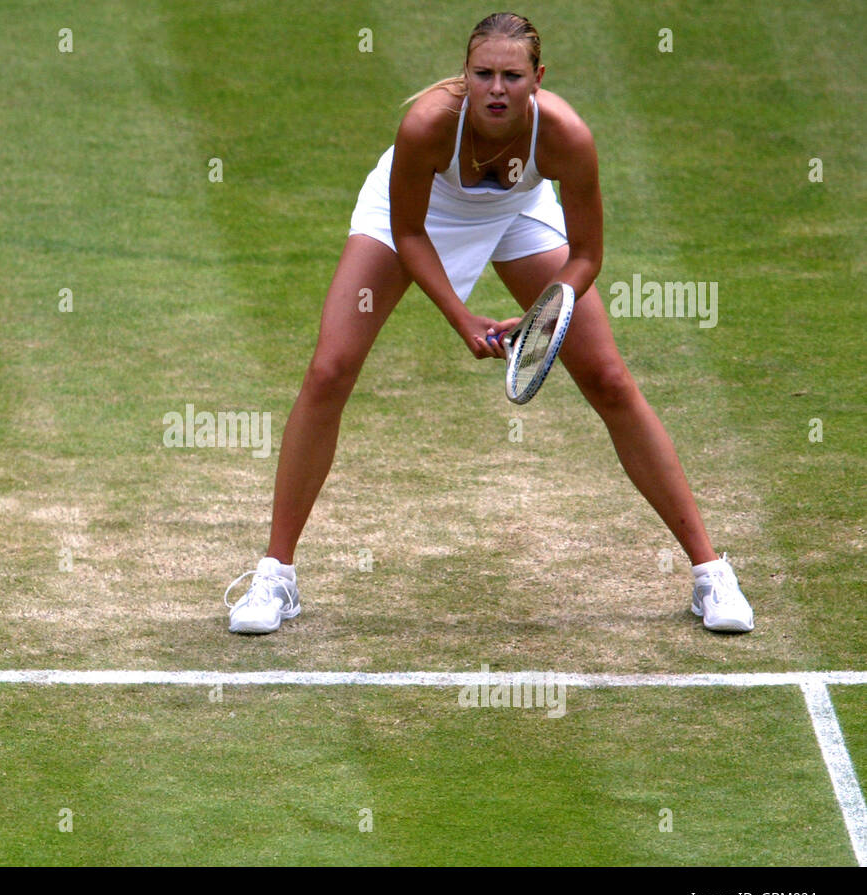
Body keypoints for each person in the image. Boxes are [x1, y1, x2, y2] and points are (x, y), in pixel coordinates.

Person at [225, 12, 754, 635]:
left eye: (512, 75)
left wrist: (546, 311)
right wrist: (460, 316)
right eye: (483, 74)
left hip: (517, 211)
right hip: (418, 213)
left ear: (538, 78)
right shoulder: (427, 125)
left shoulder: (566, 137)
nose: (496, 88)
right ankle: (275, 576)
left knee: (609, 378)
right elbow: (408, 232)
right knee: (329, 369)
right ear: (465, 74)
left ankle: (710, 573)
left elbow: (586, 256)